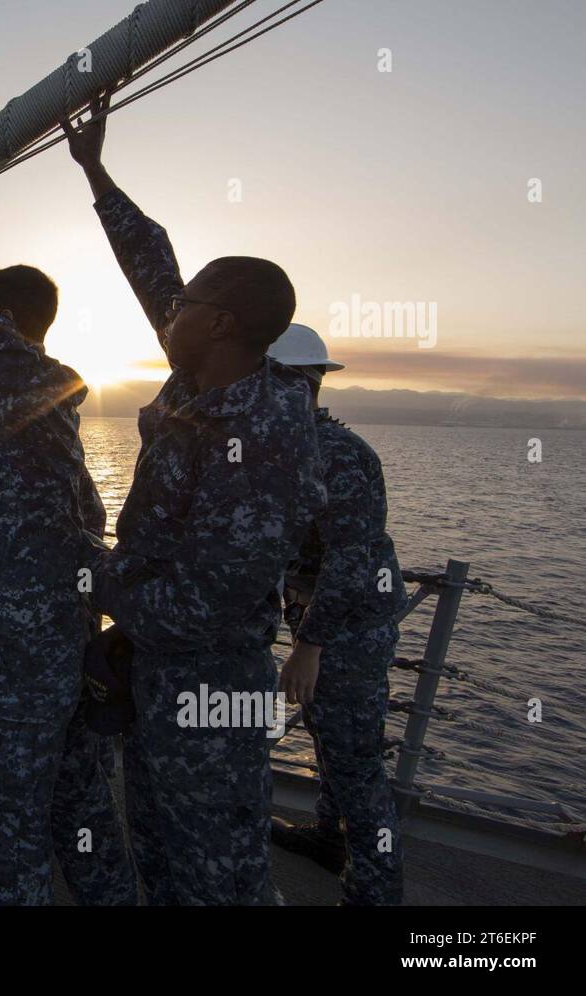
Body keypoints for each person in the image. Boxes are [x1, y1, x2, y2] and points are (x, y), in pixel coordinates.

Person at [63, 94, 325, 904]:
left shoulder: (265, 439)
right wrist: (97, 172)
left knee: (222, 874)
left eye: (182, 310)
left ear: (217, 323)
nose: (166, 313)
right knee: (165, 858)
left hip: (208, 691)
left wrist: (87, 569)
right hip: (158, 673)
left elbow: (201, 605)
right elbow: (155, 270)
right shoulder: (204, 377)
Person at [0, 148, 137, 906]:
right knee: (79, 796)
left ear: (7, 322)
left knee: (13, 809)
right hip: (68, 631)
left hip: (27, 639)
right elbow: (89, 513)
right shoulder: (44, 397)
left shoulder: (19, 374)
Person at [268, 324, 407, 906]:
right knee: (332, 740)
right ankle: (329, 838)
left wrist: (309, 647)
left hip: (347, 626)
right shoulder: (294, 446)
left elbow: (351, 561)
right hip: (322, 614)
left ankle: (375, 893)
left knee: (355, 762)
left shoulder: (341, 455)